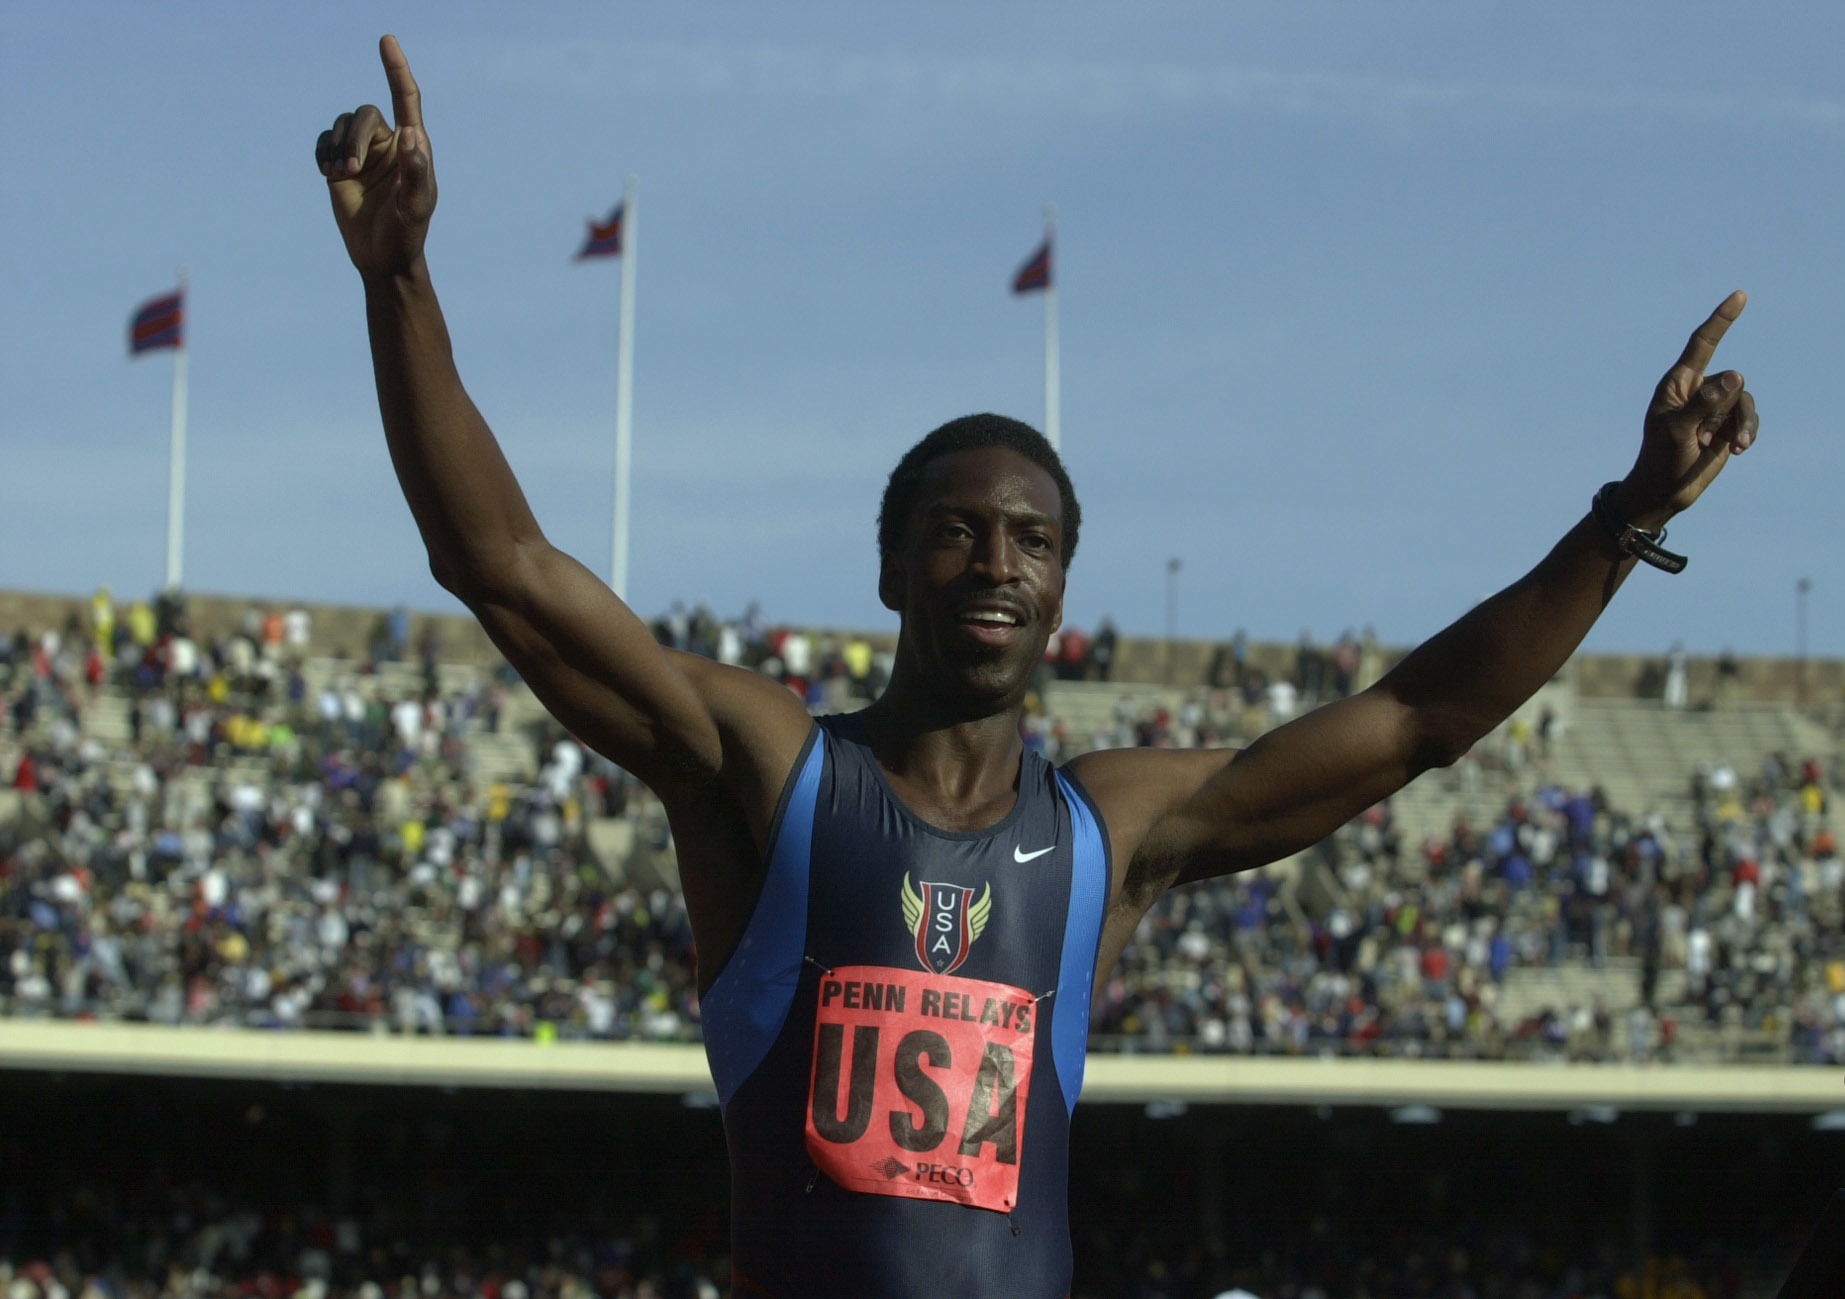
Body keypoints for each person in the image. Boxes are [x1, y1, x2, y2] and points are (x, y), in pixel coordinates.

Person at [316, 36, 1761, 1299]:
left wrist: (1624, 520)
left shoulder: (1106, 834)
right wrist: (401, 283)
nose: (996, 563)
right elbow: (503, 564)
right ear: (894, 571)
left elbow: (1414, 722)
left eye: (1032, 541)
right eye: (956, 533)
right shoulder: (769, 769)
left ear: (1062, 590)